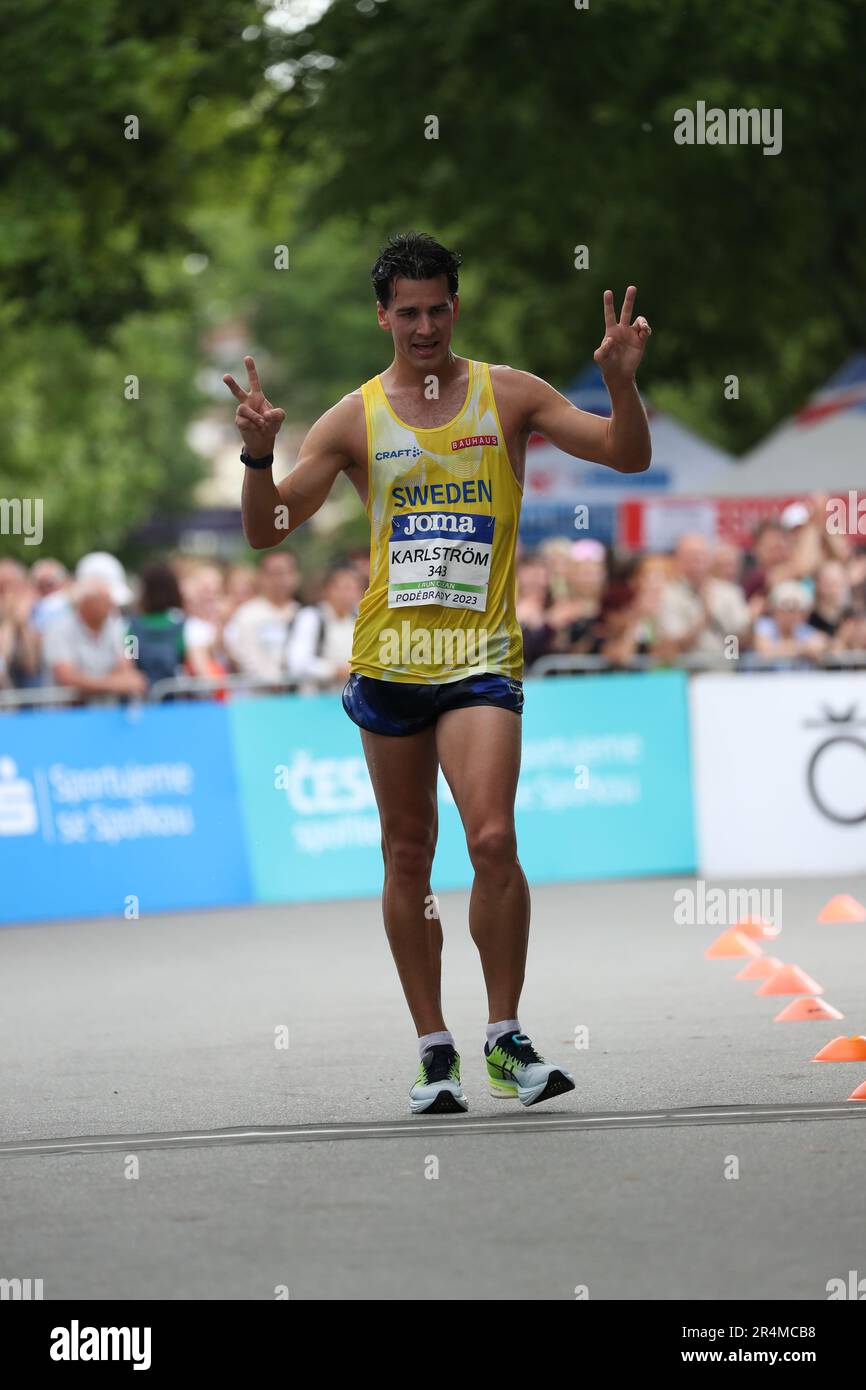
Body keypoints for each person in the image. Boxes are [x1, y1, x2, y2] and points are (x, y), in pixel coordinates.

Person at [224, 231, 652, 1114]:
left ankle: (505, 1035)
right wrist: (260, 456)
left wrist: (618, 379)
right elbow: (267, 531)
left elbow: (626, 454)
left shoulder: (511, 394)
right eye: (406, 312)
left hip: (482, 660)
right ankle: (433, 1048)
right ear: (383, 315)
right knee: (407, 854)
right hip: (391, 661)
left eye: (437, 309)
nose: (424, 326)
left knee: (492, 838)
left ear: (456, 308)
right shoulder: (352, 419)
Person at [42, 576, 147, 701]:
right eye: (106, 600)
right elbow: (65, 677)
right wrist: (114, 684)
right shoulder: (57, 630)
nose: (112, 604)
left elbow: (128, 668)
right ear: (86, 602)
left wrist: (91, 684)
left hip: (108, 711)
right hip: (66, 715)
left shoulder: (122, 627)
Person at [223, 550, 300, 684]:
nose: (281, 579)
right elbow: (243, 656)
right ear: (262, 576)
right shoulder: (246, 614)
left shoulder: (303, 613)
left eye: (287, 572)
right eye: (275, 573)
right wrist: (271, 681)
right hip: (259, 697)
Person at [285, 563, 361, 693]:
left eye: (353, 588)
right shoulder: (310, 616)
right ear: (328, 589)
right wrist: (334, 671)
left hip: (350, 699)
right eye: (344, 587)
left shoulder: (360, 619)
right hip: (315, 698)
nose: (347, 594)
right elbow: (297, 662)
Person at [126, 562, 186, 689]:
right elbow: (182, 655)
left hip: (143, 696)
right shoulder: (181, 623)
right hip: (176, 697)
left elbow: (129, 658)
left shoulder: (132, 626)